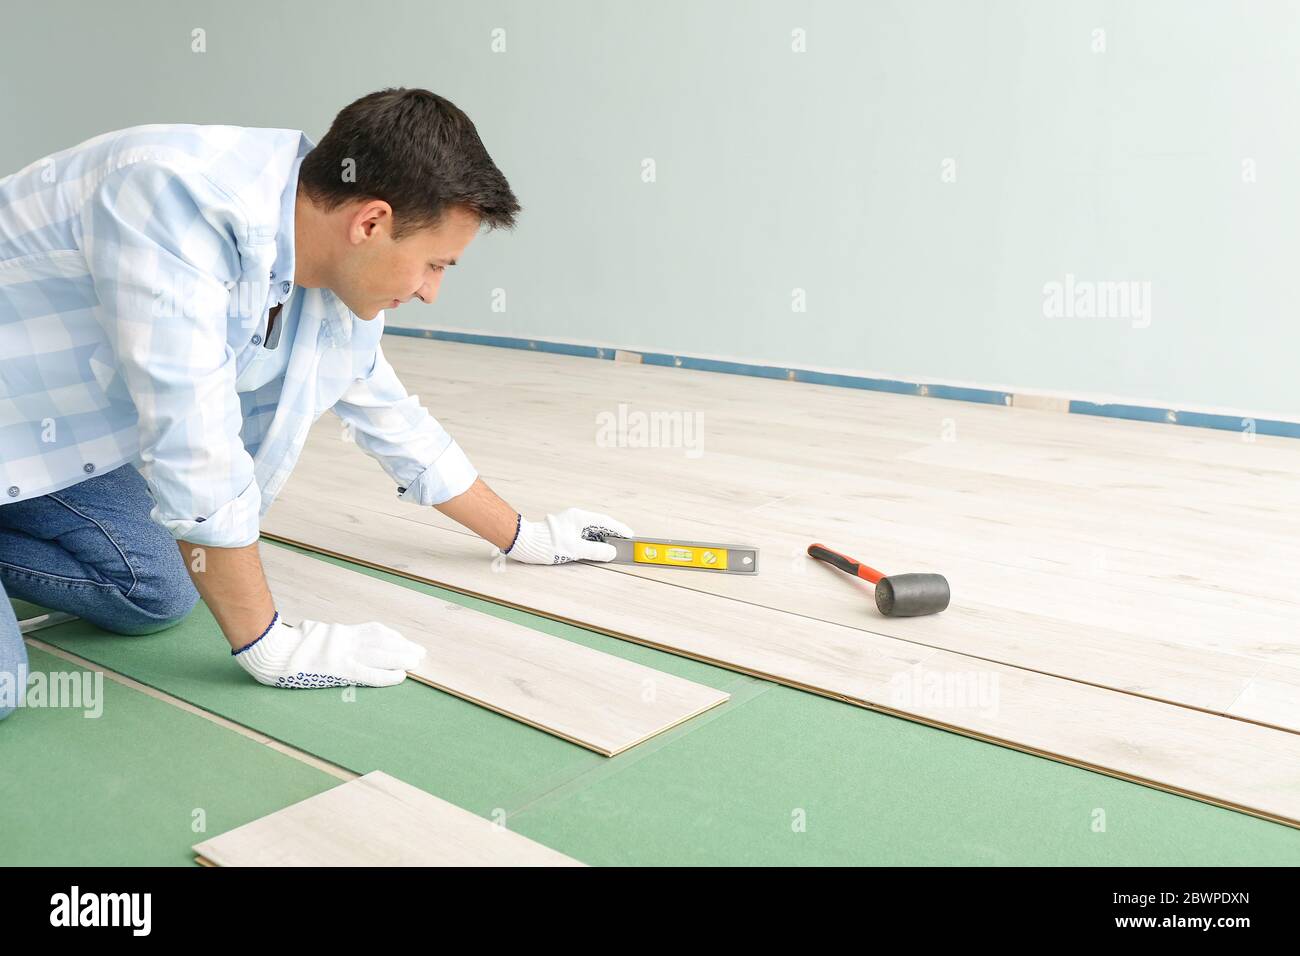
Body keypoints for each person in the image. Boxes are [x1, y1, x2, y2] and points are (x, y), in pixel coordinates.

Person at [0, 88, 633, 718]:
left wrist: (525, 535)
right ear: (372, 222)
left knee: (157, 592)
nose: (431, 292)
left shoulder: (319, 252)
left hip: (32, 435)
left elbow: (389, 414)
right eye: (435, 264)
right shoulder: (173, 197)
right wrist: (268, 645)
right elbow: (191, 439)